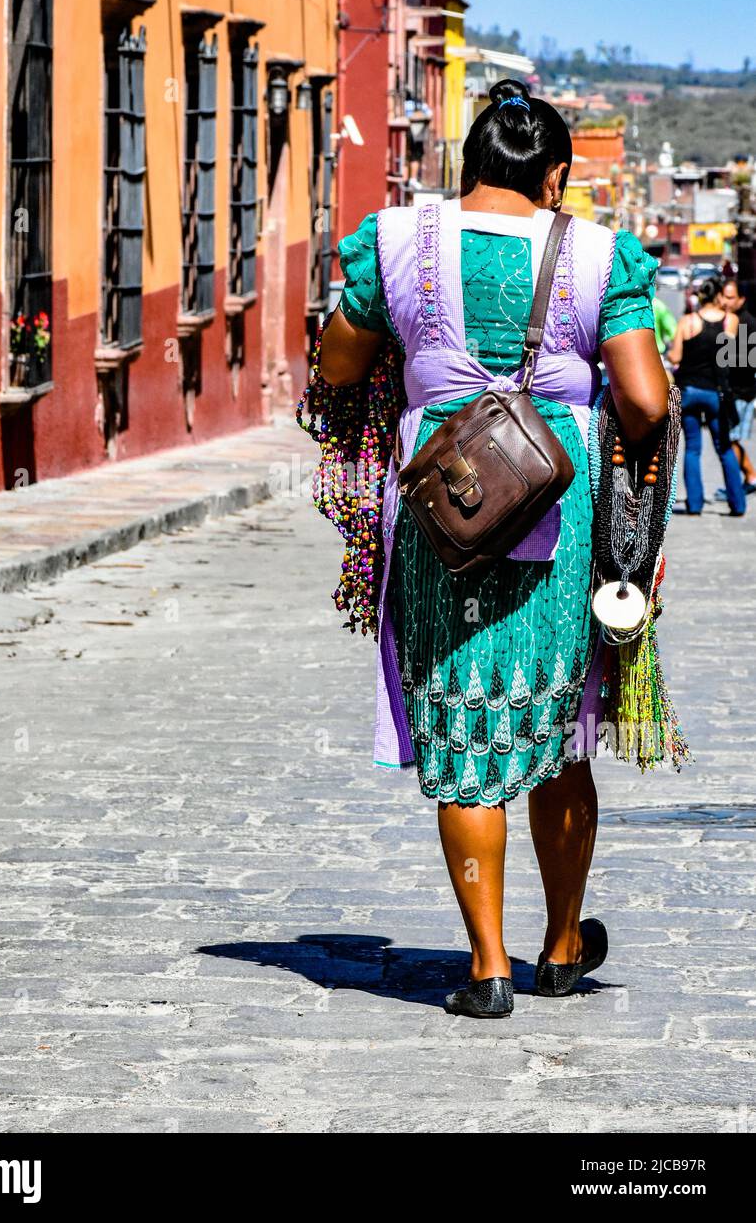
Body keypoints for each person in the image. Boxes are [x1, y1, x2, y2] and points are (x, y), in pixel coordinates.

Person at [319, 79, 669, 1017]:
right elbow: (643, 403)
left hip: (440, 517)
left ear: (466, 169)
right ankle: (561, 945)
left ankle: (486, 966)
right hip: (557, 526)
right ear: (556, 175)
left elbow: (337, 366)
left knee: (465, 725)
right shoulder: (600, 255)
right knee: (560, 740)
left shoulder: (393, 243)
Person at [667, 278, 746, 515]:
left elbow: (675, 357)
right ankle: (738, 504)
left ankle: (695, 504)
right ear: (719, 296)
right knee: (724, 448)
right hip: (716, 393)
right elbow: (731, 357)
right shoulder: (730, 321)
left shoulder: (688, 321)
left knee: (692, 448)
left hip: (689, 391)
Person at [719, 279, 756, 493]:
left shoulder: (745, 323)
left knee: (729, 439)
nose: (725, 301)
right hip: (735, 390)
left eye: (730, 297)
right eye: (723, 295)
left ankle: (750, 476)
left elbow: (743, 362)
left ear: (741, 299)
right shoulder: (732, 320)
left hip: (741, 391)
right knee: (729, 439)